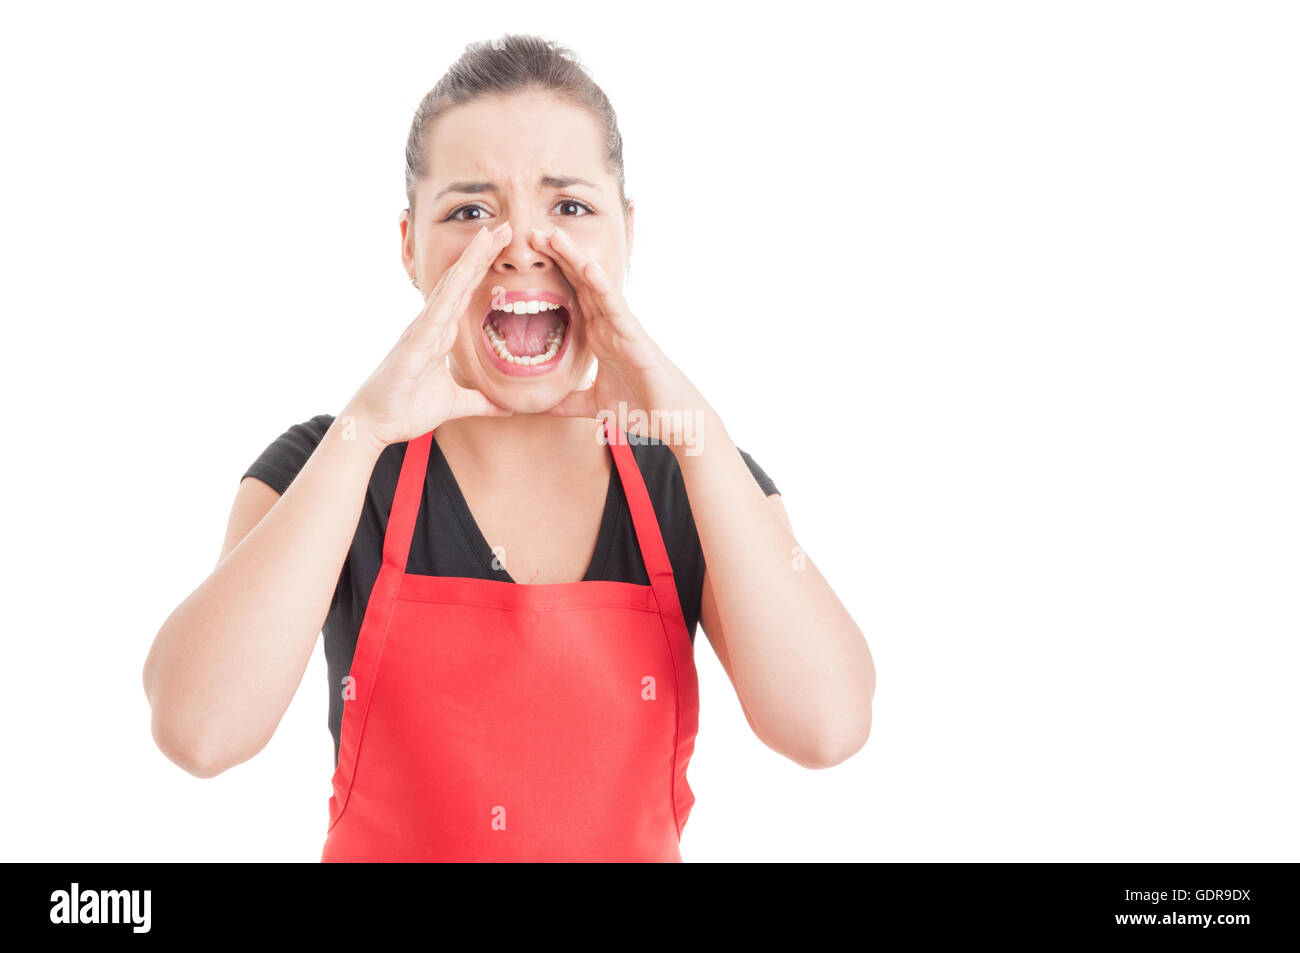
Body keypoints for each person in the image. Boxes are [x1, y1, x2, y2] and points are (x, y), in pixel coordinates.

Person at [142, 33, 876, 862]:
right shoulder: (329, 467)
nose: (523, 244)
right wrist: (363, 430)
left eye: (569, 207)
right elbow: (198, 730)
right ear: (408, 246)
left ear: (626, 234)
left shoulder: (691, 477)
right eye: (469, 212)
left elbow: (828, 725)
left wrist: (696, 428)